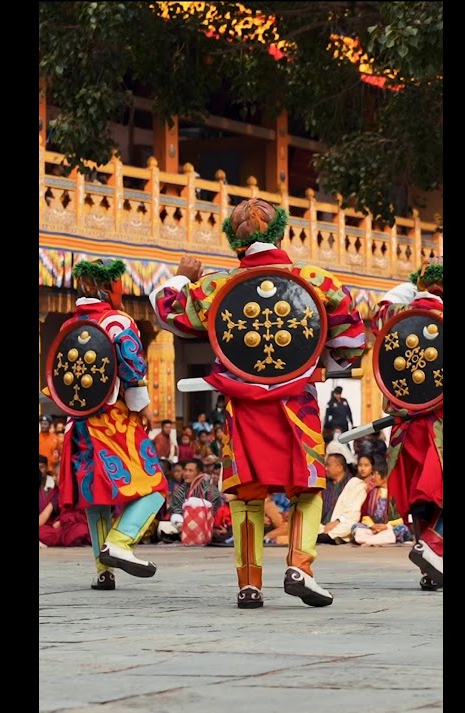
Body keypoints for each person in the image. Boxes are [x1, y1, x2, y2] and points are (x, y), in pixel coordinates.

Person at [150, 197, 366, 608]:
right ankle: (300, 568)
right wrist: (317, 359)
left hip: (242, 407)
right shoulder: (316, 280)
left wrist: (180, 278)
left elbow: (167, 312)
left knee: (247, 494)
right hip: (296, 403)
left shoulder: (216, 286)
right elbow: (353, 341)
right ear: (281, 234)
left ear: (235, 243)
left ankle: (249, 586)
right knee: (307, 486)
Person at [56, 258, 168, 590]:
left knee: (97, 496)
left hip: (79, 422)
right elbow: (132, 368)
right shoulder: (118, 321)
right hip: (115, 419)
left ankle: (103, 571)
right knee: (155, 487)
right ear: (110, 288)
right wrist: (144, 407)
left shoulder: (68, 327)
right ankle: (120, 541)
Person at [371, 257, 445, 590]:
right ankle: (433, 546)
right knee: (434, 492)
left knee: (421, 498)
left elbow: (381, 307)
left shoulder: (393, 316)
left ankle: (429, 566)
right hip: (438, 428)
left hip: (404, 428)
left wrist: (415, 287)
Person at [349, 454, 413, 546]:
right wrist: (372, 525)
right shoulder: (372, 492)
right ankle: (377, 539)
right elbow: (365, 513)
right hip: (373, 528)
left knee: (402, 529)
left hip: (389, 528)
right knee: (355, 526)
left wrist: (386, 526)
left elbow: (403, 517)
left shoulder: (396, 493)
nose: (373, 477)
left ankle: (370, 540)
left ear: (385, 477)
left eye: (376, 474)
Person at [317, 453, 376, 544]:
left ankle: (327, 537)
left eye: (328, 466)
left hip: (342, 523)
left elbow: (354, 512)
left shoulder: (355, 484)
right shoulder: (325, 484)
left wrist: (337, 521)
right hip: (323, 524)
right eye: (360, 465)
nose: (326, 469)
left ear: (339, 468)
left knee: (351, 525)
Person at [40, 469, 88, 547]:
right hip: (61, 528)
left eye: (57, 475)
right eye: (54, 476)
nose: (54, 478)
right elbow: (45, 514)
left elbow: (84, 516)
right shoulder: (57, 493)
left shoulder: (80, 491)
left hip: (75, 524)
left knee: (82, 529)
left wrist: (62, 521)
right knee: (42, 531)